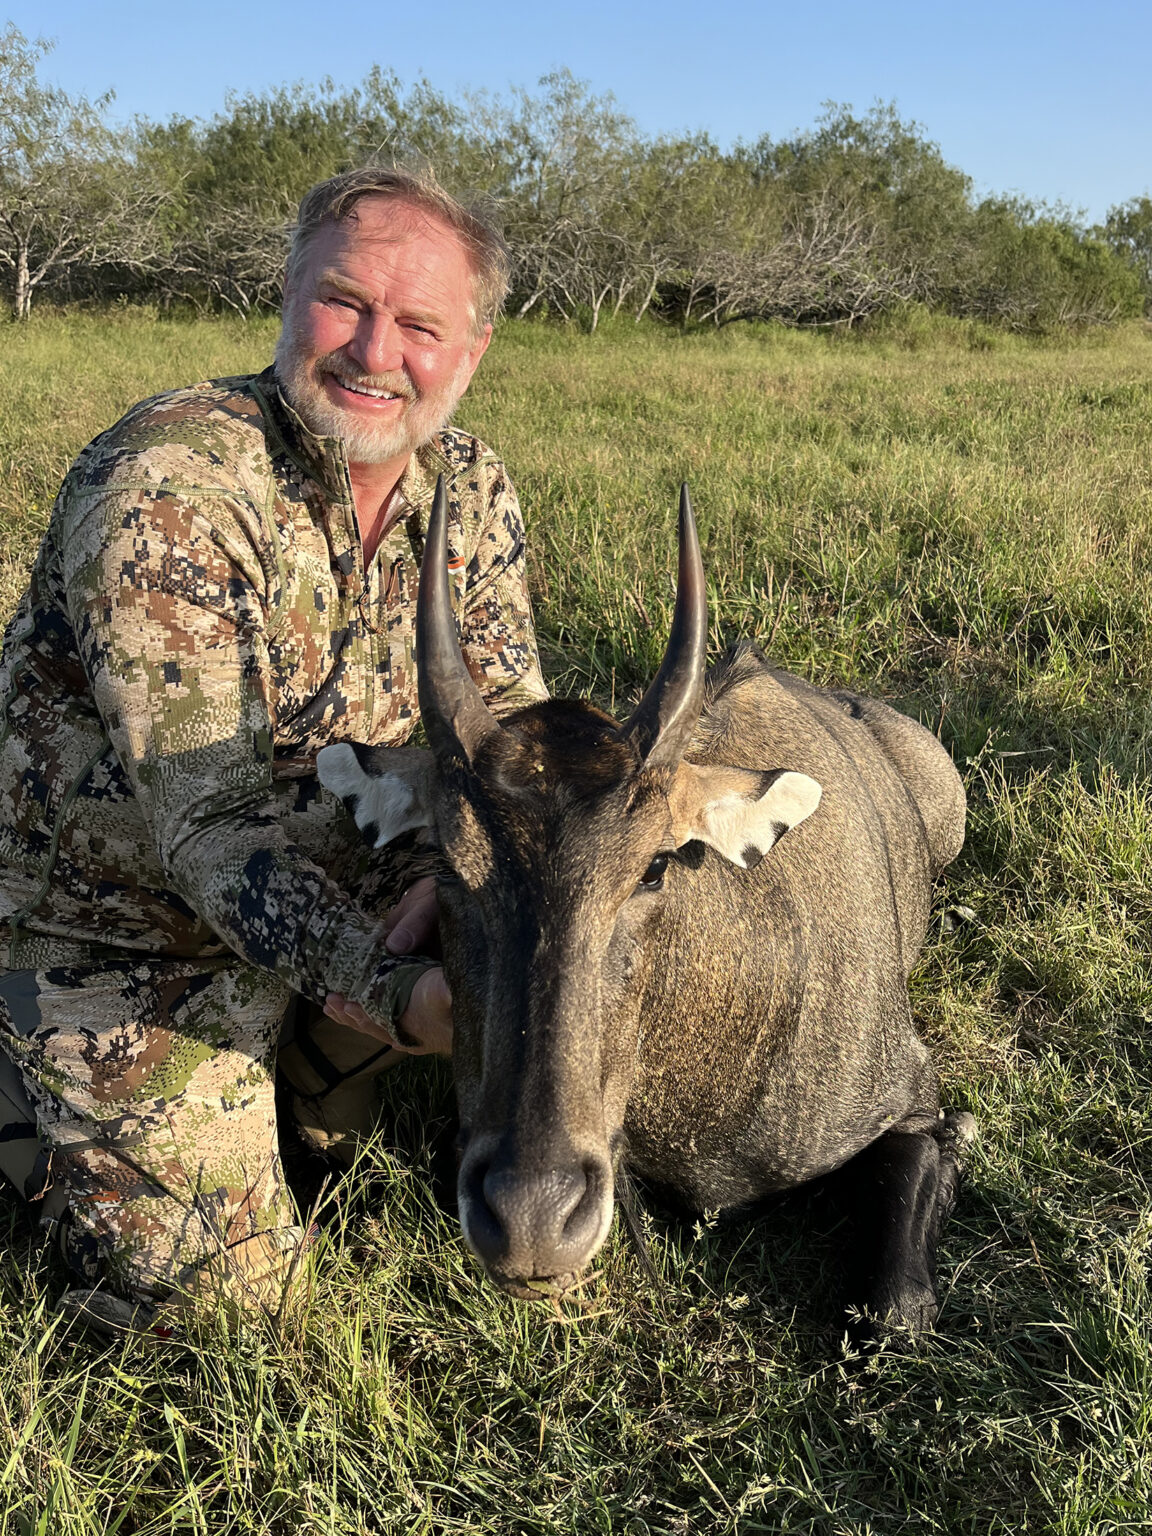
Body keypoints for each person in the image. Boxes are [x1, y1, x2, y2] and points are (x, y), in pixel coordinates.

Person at [0, 167, 547, 1334]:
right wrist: (408, 993)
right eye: (345, 302)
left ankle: (305, 1070)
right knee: (239, 1319)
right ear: (288, 290)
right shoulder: (169, 483)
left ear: (475, 347)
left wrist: (457, 889)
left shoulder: (473, 487)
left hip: (344, 862)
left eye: (420, 326)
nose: (373, 352)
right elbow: (208, 836)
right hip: (123, 925)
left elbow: (510, 752)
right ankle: (30, 1089)